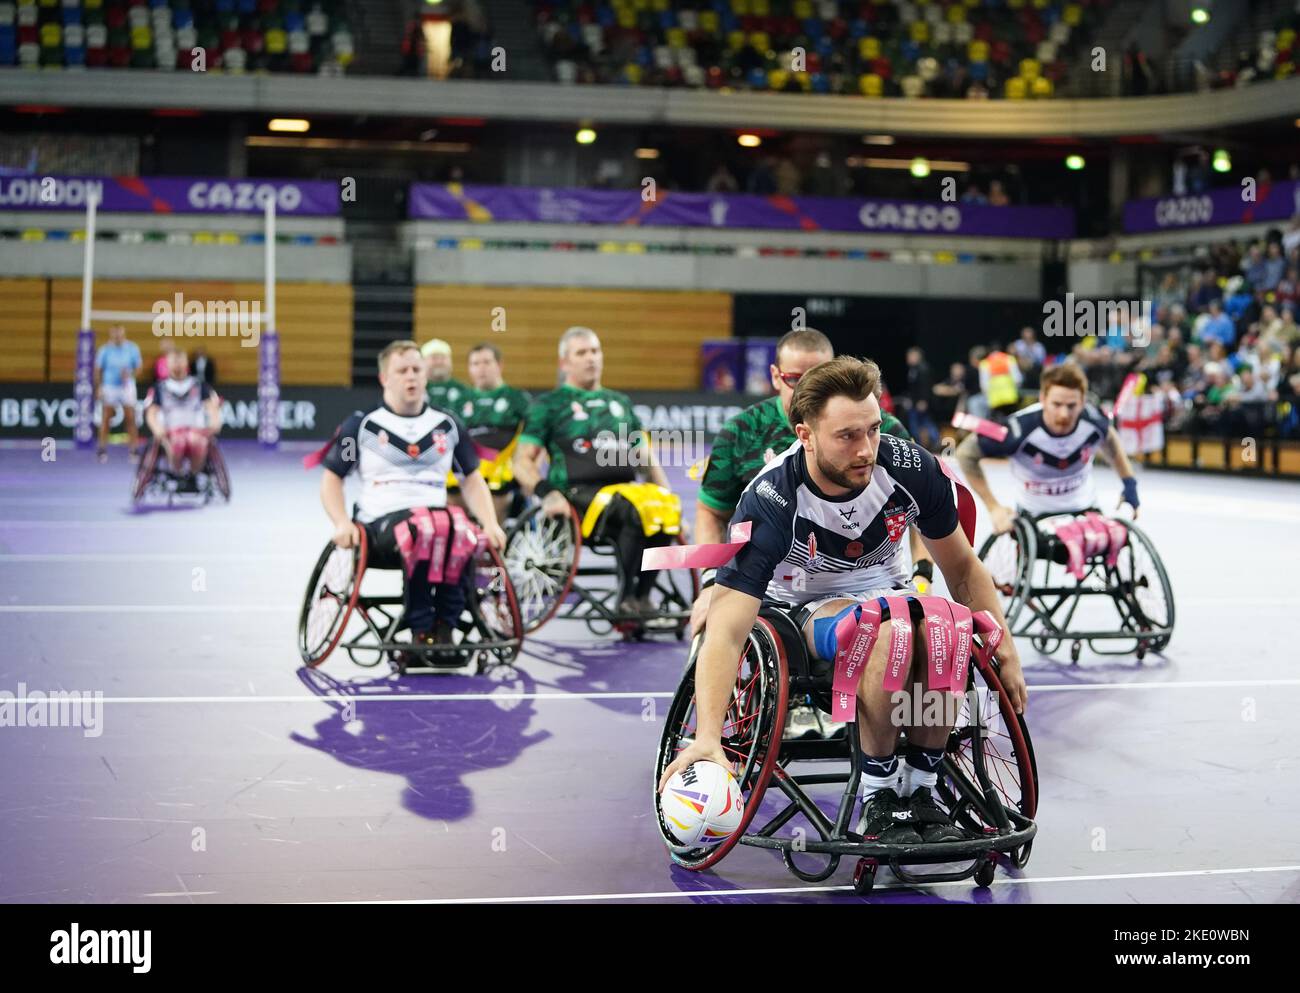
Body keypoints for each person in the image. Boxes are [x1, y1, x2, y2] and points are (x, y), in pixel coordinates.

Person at [659, 357, 1025, 844]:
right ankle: (879, 795)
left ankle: (920, 786)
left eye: (872, 430)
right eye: (847, 436)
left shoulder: (910, 466)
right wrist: (708, 735)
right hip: (802, 608)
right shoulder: (771, 499)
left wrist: (1007, 651)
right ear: (806, 435)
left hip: (888, 591)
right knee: (885, 629)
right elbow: (726, 630)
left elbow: (962, 569)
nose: (866, 449)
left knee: (947, 626)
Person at [690, 329, 928, 638]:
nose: (808, 389)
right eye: (795, 379)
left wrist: (924, 573)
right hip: (774, 586)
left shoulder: (885, 430)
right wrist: (712, 583)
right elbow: (711, 512)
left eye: (818, 376)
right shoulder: (741, 432)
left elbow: (920, 506)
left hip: (871, 579)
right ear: (775, 376)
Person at [318, 340, 507, 664]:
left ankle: (444, 627)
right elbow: (332, 479)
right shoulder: (360, 426)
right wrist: (341, 522)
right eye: (402, 371)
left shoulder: (447, 426)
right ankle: (421, 628)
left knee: (460, 529)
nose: (411, 377)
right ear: (384, 379)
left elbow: (473, 480)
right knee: (431, 527)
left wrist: (490, 523)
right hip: (381, 525)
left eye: (417, 370)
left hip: (440, 523)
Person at [513, 326, 677, 617]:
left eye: (595, 351)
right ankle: (625, 598)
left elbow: (646, 458)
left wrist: (668, 498)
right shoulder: (549, 405)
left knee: (664, 509)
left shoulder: (620, 403)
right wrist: (546, 493)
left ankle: (642, 596)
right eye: (581, 352)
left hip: (624, 492)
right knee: (632, 511)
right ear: (564, 363)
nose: (591, 358)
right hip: (576, 495)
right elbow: (521, 462)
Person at [955, 362, 1140, 534]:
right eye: (1057, 404)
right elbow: (966, 454)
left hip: (1083, 509)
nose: (1064, 414)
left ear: (1083, 401)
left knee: (1116, 539)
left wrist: (1129, 484)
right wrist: (993, 507)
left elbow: (1110, 439)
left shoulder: (1094, 419)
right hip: (1034, 517)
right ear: (1043, 399)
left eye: (1071, 406)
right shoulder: (1017, 428)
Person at [454, 342, 532, 525]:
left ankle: (492, 539)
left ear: (499, 365)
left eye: (486, 362)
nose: (481, 368)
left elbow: (532, 438)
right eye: (475, 364)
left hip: (502, 465)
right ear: (469, 369)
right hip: (467, 464)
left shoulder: (517, 398)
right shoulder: (460, 401)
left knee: (499, 482)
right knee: (449, 485)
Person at [142, 350, 222, 481]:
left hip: (194, 428)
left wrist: (215, 422)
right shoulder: (159, 388)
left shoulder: (199, 385)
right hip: (171, 430)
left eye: (180, 360)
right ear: (167, 364)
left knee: (197, 442)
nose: (177, 364)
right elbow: (151, 413)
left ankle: (192, 475)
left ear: (186, 363)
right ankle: (178, 472)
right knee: (178, 443)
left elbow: (211, 407)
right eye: (174, 361)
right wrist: (157, 429)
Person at [93, 324, 143, 463]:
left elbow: (139, 368)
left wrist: (130, 374)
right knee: (106, 417)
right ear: (111, 334)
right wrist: (99, 387)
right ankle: (102, 449)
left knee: (130, 418)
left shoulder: (132, 348)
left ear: (124, 334)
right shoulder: (104, 350)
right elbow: (98, 370)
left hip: (127, 386)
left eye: (120, 334)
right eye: (115, 334)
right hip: (109, 386)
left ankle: (134, 450)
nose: (117, 336)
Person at [422, 338, 471, 412]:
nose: (439, 362)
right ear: (423, 362)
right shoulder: (416, 390)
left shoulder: (463, 390)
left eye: (443, 358)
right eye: (434, 358)